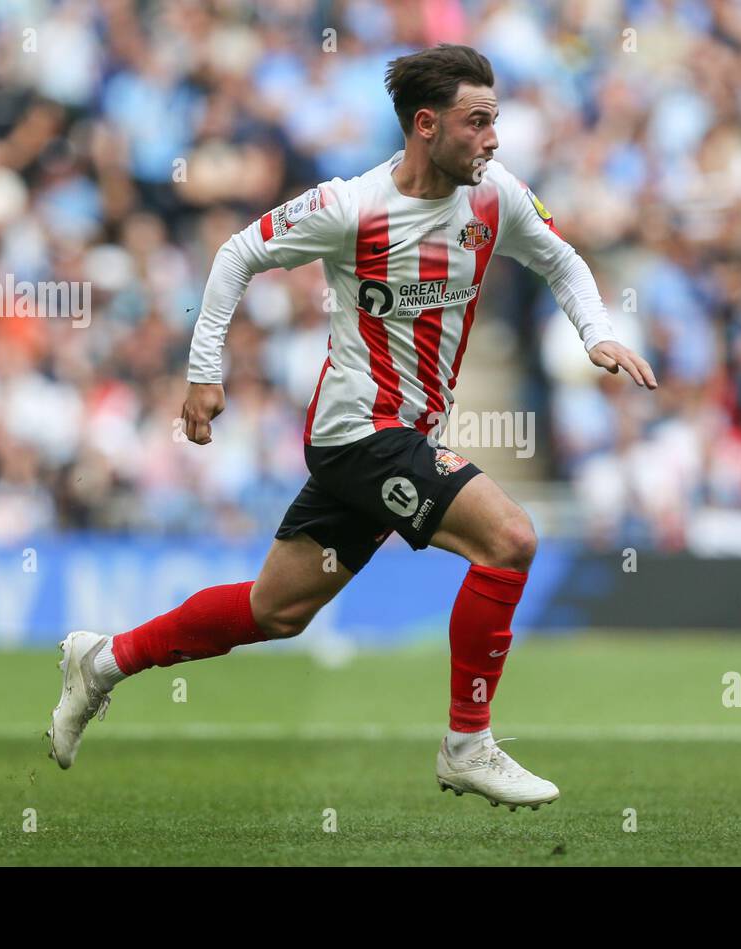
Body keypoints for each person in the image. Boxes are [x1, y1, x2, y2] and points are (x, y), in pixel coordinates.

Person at [47, 44, 656, 810]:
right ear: (426, 126)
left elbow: (562, 262)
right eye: (478, 123)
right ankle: (468, 744)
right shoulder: (351, 207)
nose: (493, 138)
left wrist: (594, 333)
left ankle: (101, 661)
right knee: (511, 540)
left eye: (496, 121)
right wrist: (204, 372)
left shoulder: (494, 195)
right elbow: (238, 254)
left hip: (401, 438)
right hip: (361, 433)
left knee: (277, 610)